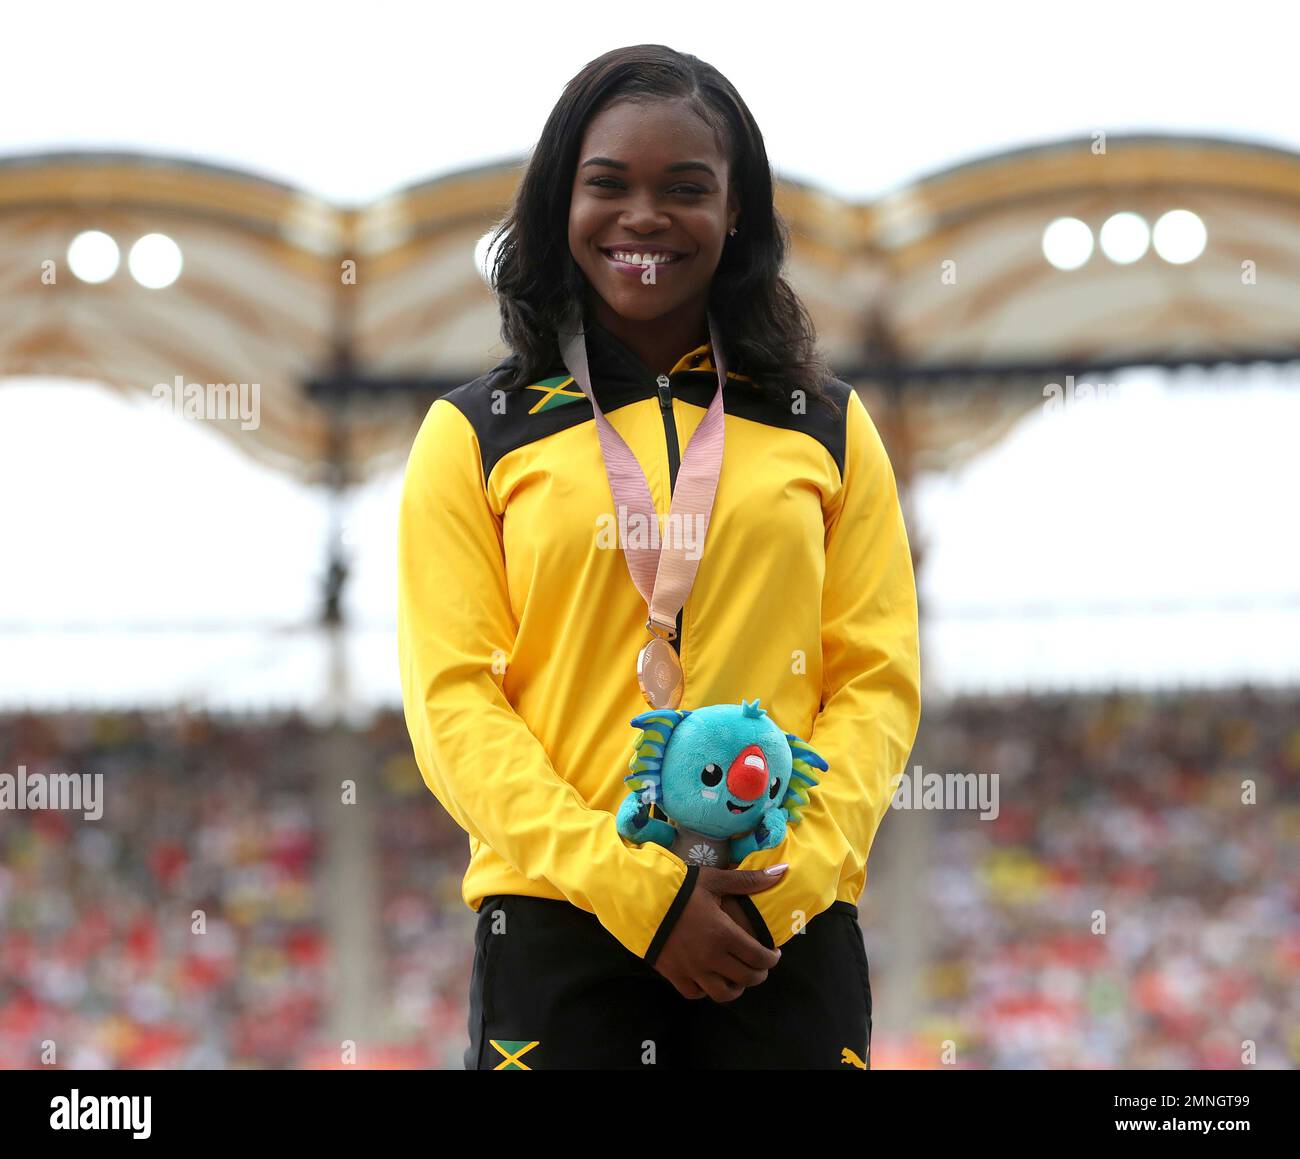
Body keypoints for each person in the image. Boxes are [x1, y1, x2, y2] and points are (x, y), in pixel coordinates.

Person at [397, 44, 920, 1070]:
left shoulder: (828, 425)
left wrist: (792, 873)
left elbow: (878, 680)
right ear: (559, 205)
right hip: (558, 927)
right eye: (608, 186)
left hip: (780, 930)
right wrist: (640, 892)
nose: (644, 217)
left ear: (737, 215)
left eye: (687, 189)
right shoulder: (473, 433)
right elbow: (452, 702)